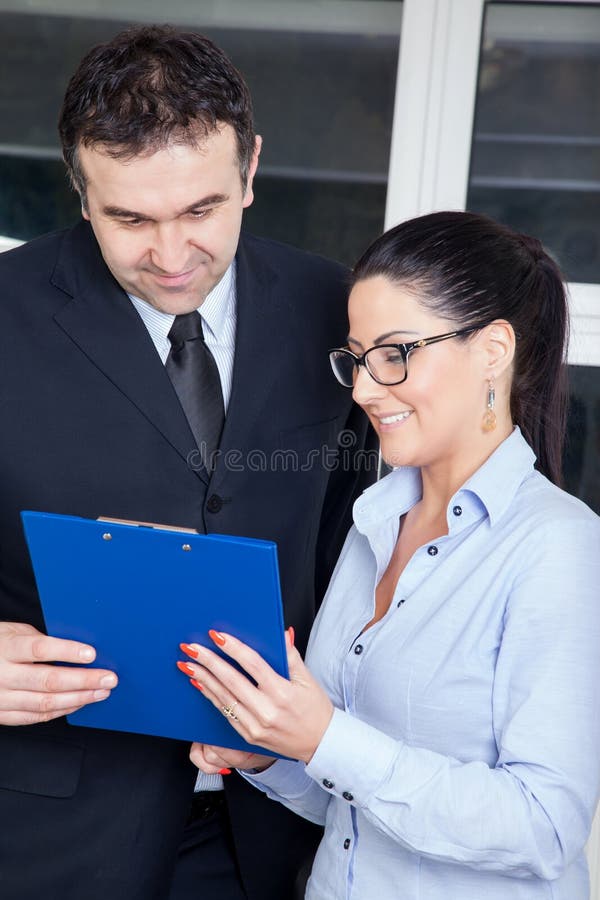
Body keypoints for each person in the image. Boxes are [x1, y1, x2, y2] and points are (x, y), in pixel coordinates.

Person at [0, 24, 375, 900]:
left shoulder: (338, 309)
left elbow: (352, 547)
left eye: (201, 211)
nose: (171, 257)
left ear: (251, 168)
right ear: (79, 190)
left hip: (269, 828)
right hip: (43, 834)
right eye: (130, 218)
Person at [183, 210, 600, 900]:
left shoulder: (557, 545)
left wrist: (324, 738)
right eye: (356, 357)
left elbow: (544, 828)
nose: (364, 388)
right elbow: (351, 810)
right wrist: (269, 753)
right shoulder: (373, 524)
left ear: (493, 350)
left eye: (396, 353)